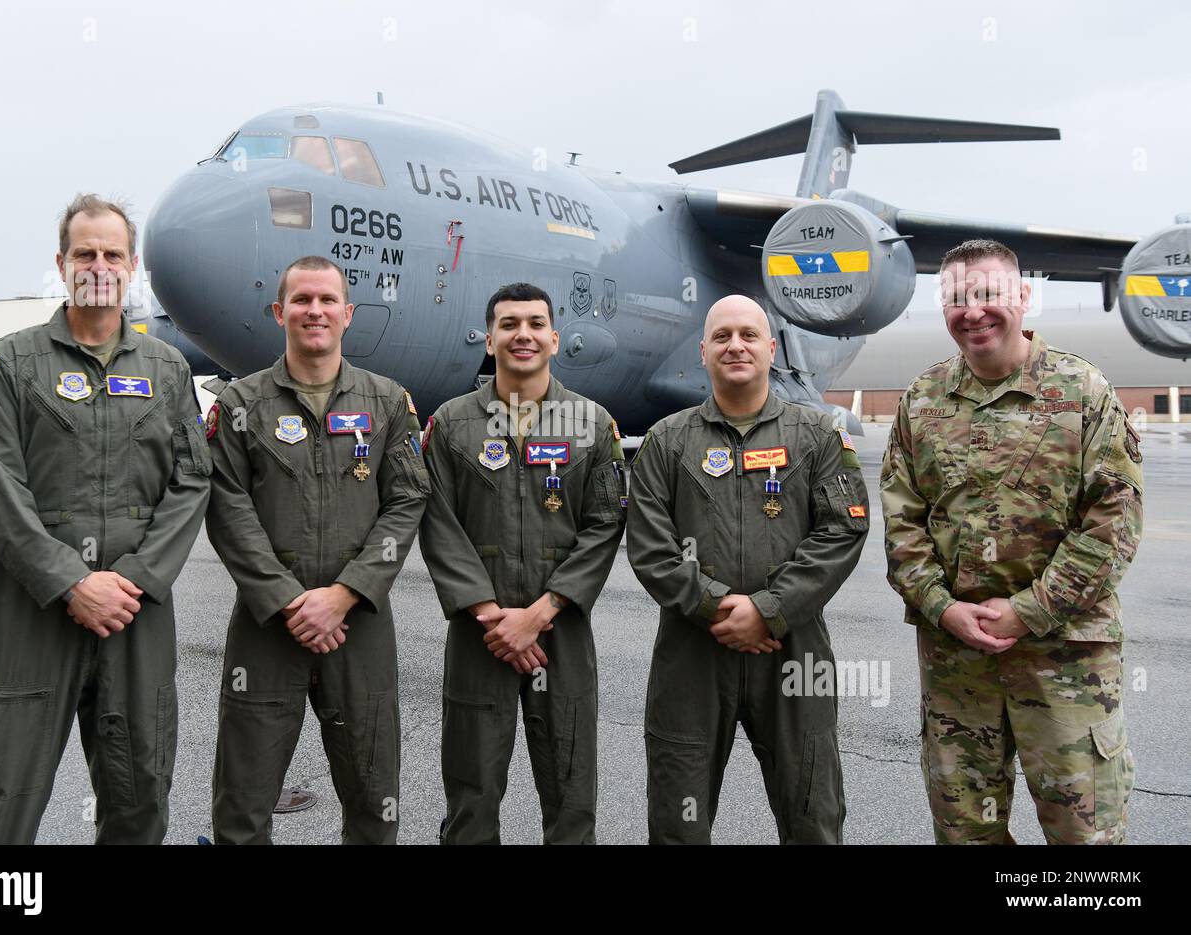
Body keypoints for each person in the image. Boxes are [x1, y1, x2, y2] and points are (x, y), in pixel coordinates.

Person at [0, 193, 211, 844]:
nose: (98, 264)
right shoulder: (9, 364)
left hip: (136, 609)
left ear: (132, 267)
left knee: (140, 789)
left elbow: (192, 481)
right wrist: (70, 582)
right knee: (3, 792)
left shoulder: (167, 368)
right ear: (61, 263)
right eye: (84, 253)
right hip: (31, 603)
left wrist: (136, 578)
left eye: (112, 253)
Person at [881, 238, 1142, 844]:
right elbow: (902, 524)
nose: (973, 312)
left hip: (1065, 660)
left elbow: (1113, 523)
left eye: (989, 294)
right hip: (956, 665)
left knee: (1084, 837)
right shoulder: (922, 402)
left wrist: (1028, 612)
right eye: (956, 299)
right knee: (965, 831)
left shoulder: (1082, 392)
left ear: (1024, 297)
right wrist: (943, 608)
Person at [627, 294, 868, 844]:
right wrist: (715, 605)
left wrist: (769, 610)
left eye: (749, 335)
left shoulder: (818, 435)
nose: (736, 345)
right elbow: (649, 546)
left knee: (813, 813)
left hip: (792, 650)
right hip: (692, 651)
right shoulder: (667, 441)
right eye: (722, 336)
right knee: (677, 818)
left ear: (771, 347)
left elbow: (842, 531)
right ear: (703, 351)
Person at [206, 256, 427, 844]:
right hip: (266, 627)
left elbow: (407, 503)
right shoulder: (239, 406)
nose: (315, 311)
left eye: (328, 300)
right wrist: (286, 599)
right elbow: (228, 509)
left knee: (373, 795)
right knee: (243, 801)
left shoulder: (386, 404)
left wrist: (346, 593)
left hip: (360, 626)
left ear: (348, 314)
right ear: (279, 312)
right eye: (301, 300)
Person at [419, 282, 626, 844]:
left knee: (571, 784)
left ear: (555, 339)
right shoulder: (453, 424)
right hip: (478, 635)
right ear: (489, 339)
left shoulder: (590, 424)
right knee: (472, 785)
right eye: (509, 325)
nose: (523, 335)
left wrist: (540, 613)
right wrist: (491, 615)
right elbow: (438, 522)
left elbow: (605, 524)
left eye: (535, 324)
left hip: (561, 631)